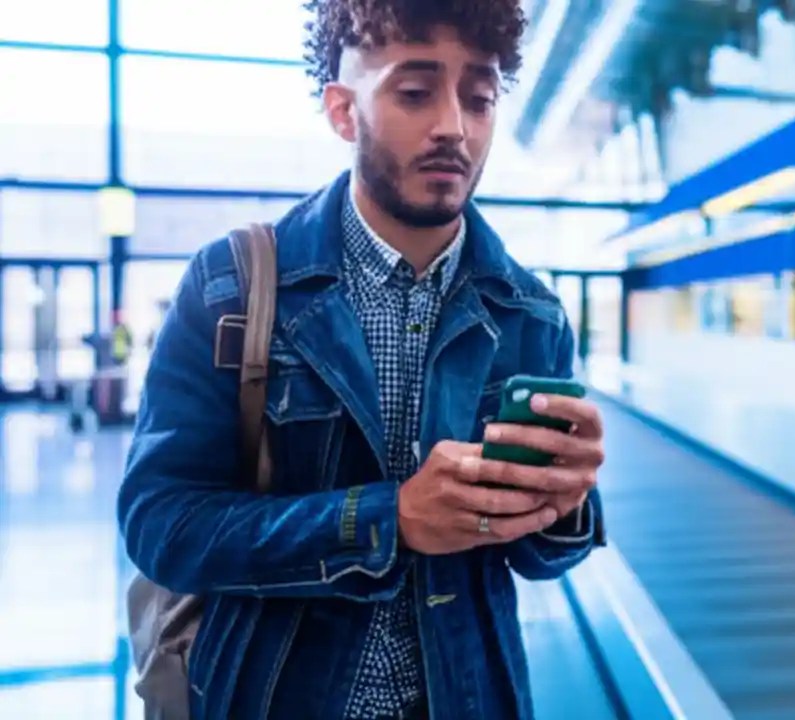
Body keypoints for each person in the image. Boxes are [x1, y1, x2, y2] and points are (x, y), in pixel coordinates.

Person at [117, 1, 607, 717]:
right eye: (415, 92)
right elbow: (162, 524)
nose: (454, 127)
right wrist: (387, 521)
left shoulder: (529, 313)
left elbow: (538, 560)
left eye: (480, 97)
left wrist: (566, 506)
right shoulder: (234, 287)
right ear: (344, 113)